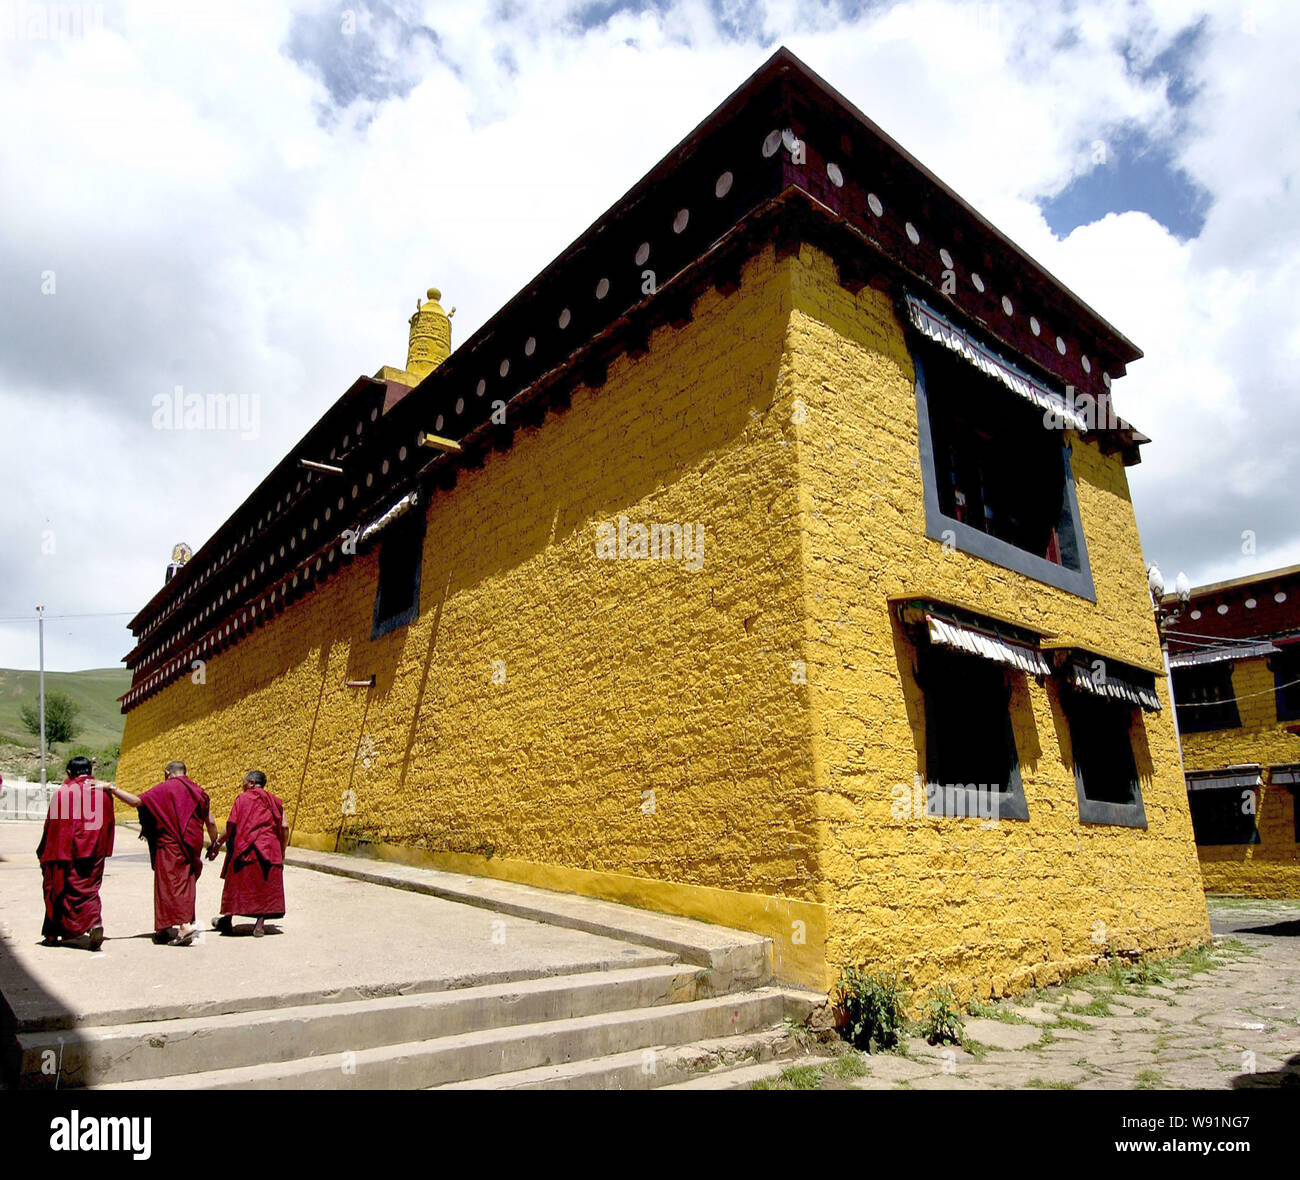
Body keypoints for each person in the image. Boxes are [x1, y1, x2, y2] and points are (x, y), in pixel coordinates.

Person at [106, 761, 217, 946]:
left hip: (170, 845)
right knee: (185, 884)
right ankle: (164, 927)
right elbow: (211, 822)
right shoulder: (198, 791)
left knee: (169, 885)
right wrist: (214, 843)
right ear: (185, 772)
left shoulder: (165, 788)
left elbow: (136, 802)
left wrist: (111, 788)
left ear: (167, 773)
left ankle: (183, 926)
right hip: (191, 844)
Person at [36, 756, 115, 950]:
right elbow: (109, 825)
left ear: (70, 772)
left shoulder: (64, 793)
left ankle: (53, 936)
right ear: (90, 771)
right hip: (94, 852)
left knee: (58, 889)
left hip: (64, 853)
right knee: (89, 891)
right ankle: (94, 923)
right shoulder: (103, 794)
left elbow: (53, 826)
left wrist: (44, 849)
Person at [208, 770, 288, 937]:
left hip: (246, 848)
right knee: (264, 886)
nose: (242, 785)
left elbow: (231, 825)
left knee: (235, 883)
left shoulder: (243, 798)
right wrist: (282, 850)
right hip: (269, 848)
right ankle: (259, 925)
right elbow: (284, 826)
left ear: (251, 783)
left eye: (244, 782)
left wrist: (217, 844)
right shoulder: (276, 801)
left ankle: (227, 919)